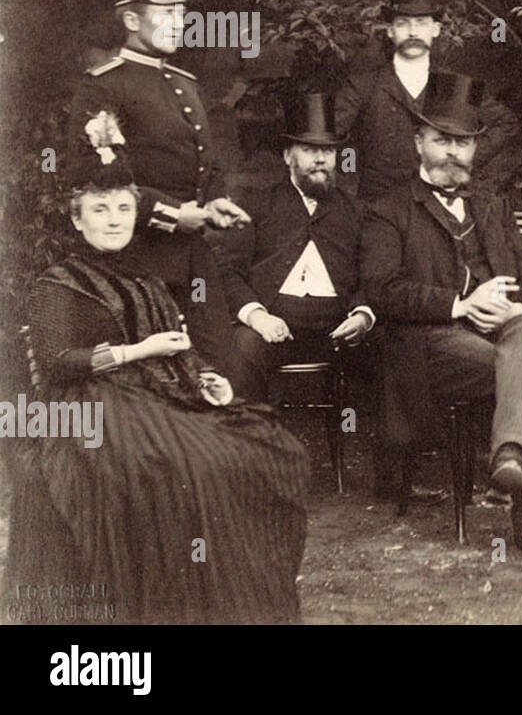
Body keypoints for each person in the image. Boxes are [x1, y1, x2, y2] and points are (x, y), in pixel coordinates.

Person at [3, 120, 308, 624]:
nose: (114, 219)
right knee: (175, 465)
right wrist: (137, 351)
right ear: (77, 221)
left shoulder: (144, 276)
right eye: (99, 210)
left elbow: (176, 347)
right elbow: (59, 363)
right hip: (88, 407)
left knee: (264, 448)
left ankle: (234, 597)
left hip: (156, 396)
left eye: (123, 208)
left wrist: (204, 379)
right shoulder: (58, 281)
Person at [361, 71, 522, 568]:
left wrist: (518, 306)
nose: (453, 154)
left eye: (463, 144)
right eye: (442, 141)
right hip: (429, 344)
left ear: (475, 150)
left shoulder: (491, 205)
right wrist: (460, 303)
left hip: (501, 335)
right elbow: (381, 291)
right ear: (418, 141)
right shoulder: (388, 210)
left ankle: (508, 456)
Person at [66, 0, 249, 373]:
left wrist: (216, 200)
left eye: (181, 14)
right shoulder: (104, 86)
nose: (178, 24)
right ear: (132, 20)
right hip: (138, 257)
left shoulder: (185, 83)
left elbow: (206, 160)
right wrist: (172, 215)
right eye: (165, 15)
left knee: (221, 366)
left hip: (193, 257)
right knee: (158, 375)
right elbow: (96, 180)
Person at [218, 93, 375, 402]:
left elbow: (375, 275)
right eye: (309, 149)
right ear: (288, 156)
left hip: (338, 331)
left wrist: (362, 315)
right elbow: (227, 272)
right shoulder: (257, 204)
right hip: (273, 328)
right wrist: (258, 317)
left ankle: (397, 448)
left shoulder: (356, 211)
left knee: (400, 345)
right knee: (242, 347)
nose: (320, 159)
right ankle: (251, 440)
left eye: (328, 151)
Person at [335, 0, 513, 204]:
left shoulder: (452, 85)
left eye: (421, 23)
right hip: (376, 209)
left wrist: (458, 161)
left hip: (436, 207)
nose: (412, 32)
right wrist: (350, 178)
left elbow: (505, 124)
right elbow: (327, 138)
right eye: (403, 23)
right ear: (390, 31)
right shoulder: (363, 86)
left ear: (436, 29)